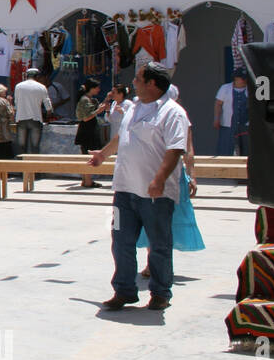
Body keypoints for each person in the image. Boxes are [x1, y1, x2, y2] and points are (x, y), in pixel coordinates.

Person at [89, 62, 188, 312]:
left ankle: (160, 293)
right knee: (120, 241)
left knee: (159, 244)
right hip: (124, 190)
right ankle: (123, 290)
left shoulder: (172, 112)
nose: (133, 83)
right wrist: (103, 155)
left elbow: (176, 149)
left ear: (152, 84)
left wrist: (159, 179)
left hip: (155, 193)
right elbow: (121, 137)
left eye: (138, 79)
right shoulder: (133, 109)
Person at [140, 85, 204, 276]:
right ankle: (155, 261)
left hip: (163, 175)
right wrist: (192, 176)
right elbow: (189, 151)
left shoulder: (169, 115)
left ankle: (155, 262)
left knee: (157, 219)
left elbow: (187, 150)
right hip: (163, 175)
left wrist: (192, 175)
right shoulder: (177, 114)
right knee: (162, 220)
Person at [73, 78, 109, 188]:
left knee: (86, 155)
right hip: (87, 130)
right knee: (87, 155)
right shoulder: (85, 100)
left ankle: (86, 179)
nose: (98, 89)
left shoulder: (89, 99)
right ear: (91, 88)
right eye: (97, 87)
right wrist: (98, 111)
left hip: (89, 130)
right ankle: (88, 180)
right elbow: (86, 118)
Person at [13, 68, 52, 155]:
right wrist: (49, 114)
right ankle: (34, 167)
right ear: (37, 76)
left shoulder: (18, 86)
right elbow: (48, 105)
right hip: (36, 118)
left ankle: (21, 166)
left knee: (21, 146)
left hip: (21, 118)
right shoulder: (41, 87)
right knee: (35, 146)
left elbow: (16, 102)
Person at [213, 70, 250, 156]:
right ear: (236, 79)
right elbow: (218, 104)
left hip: (245, 125)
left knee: (246, 150)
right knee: (225, 149)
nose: (245, 80)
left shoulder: (250, 89)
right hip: (228, 125)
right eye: (242, 78)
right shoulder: (225, 88)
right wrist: (216, 119)